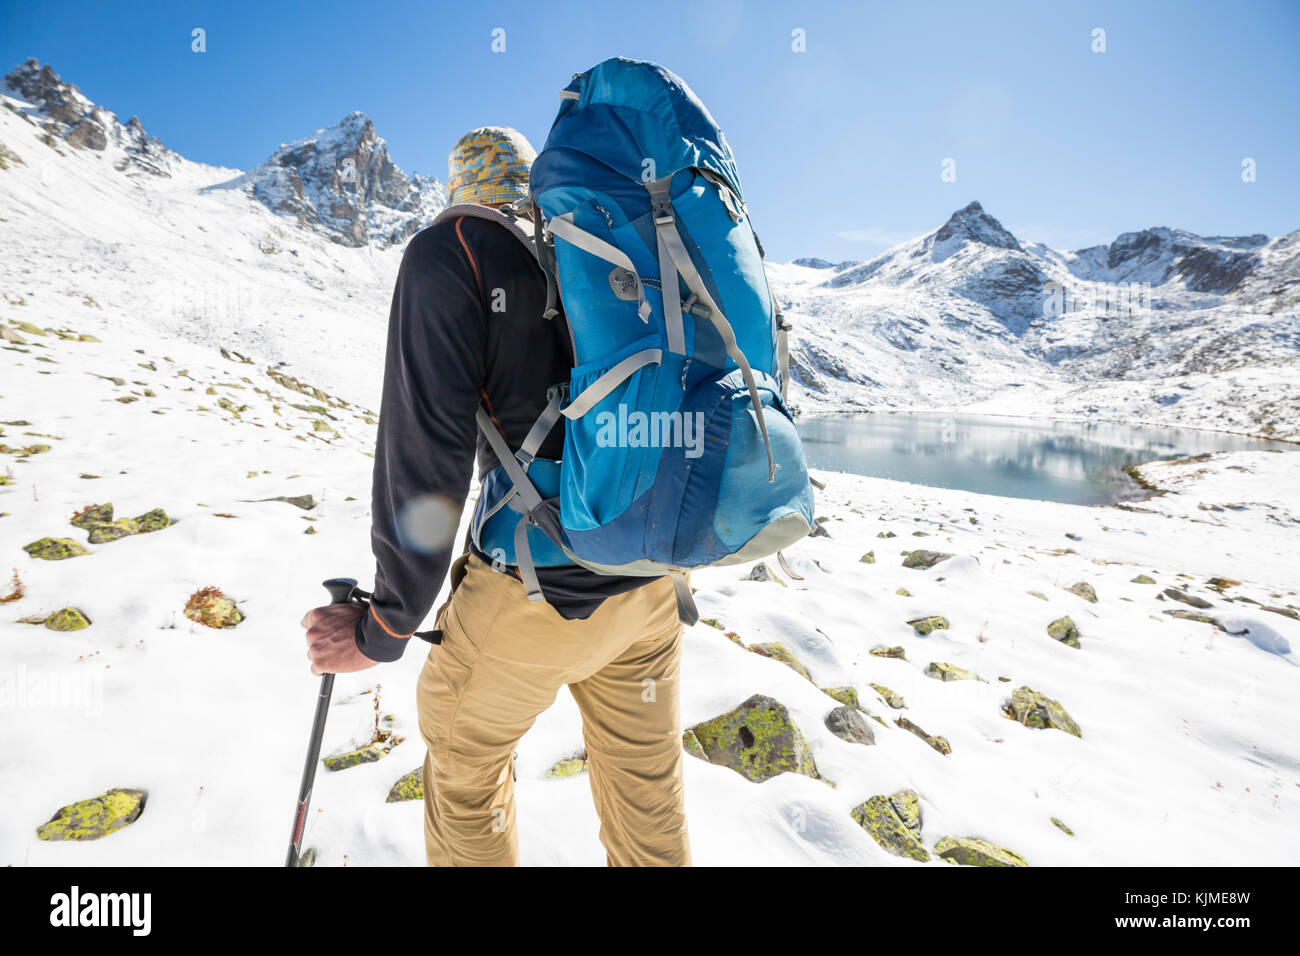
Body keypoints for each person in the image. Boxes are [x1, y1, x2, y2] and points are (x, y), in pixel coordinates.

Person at [300, 126, 692, 867]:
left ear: (459, 188)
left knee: (466, 777)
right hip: (651, 584)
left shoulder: (451, 251)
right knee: (648, 794)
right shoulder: (602, 247)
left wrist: (385, 624)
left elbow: (426, 453)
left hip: (535, 593)